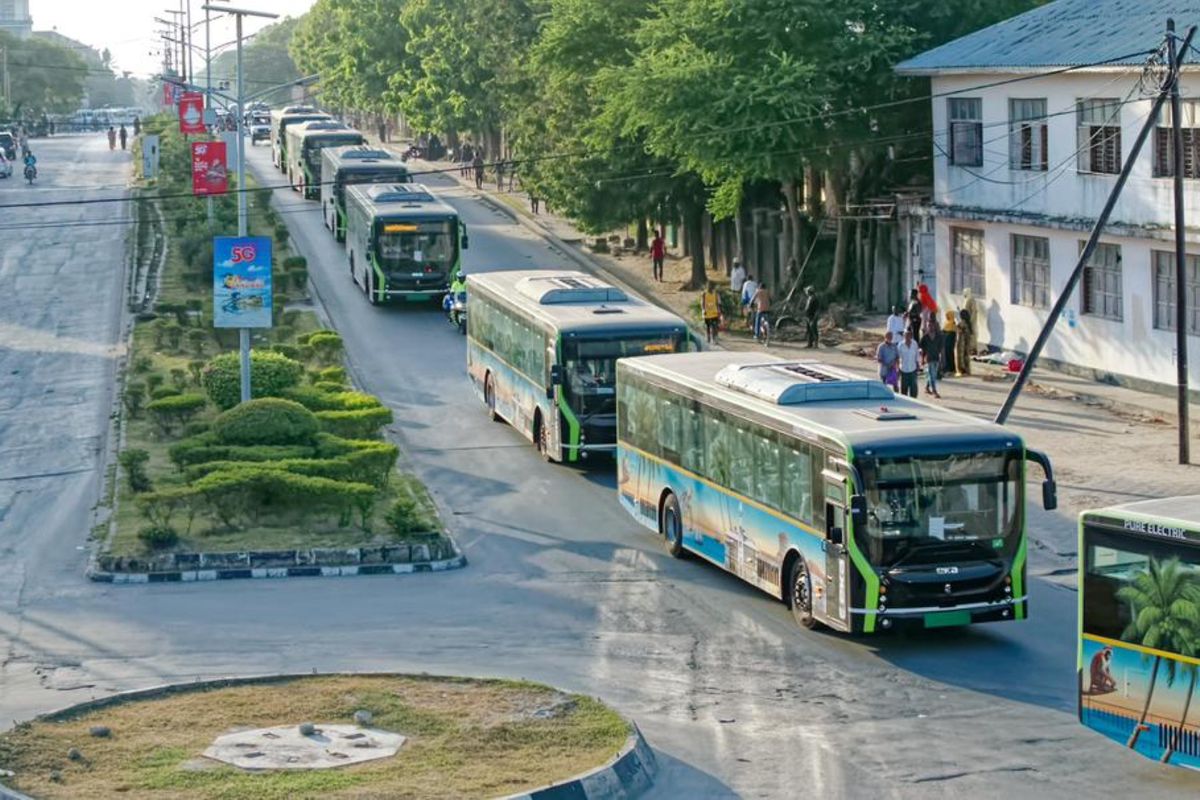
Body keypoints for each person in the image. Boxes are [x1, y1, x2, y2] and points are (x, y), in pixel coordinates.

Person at [920, 312, 943, 398]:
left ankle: (926, 387)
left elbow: (941, 348)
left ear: (935, 326)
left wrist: (941, 358)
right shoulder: (925, 337)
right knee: (931, 374)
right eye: (928, 325)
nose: (930, 327)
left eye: (931, 325)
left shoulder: (938, 336)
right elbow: (922, 349)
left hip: (936, 357)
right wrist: (922, 359)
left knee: (933, 374)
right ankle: (934, 391)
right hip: (928, 358)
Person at [897, 329, 921, 398]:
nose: (907, 337)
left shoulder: (914, 343)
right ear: (904, 336)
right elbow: (898, 357)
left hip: (913, 369)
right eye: (906, 335)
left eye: (909, 335)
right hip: (903, 369)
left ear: (911, 336)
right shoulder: (900, 345)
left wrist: (918, 364)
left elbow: (917, 355)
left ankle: (914, 402)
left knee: (914, 388)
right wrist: (897, 368)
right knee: (904, 388)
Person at [955, 304, 973, 377]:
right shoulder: (968, 323)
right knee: (966, 356)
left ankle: (961, 370)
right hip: (967, 342)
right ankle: (967, 370)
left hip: (961, 342)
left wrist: (957, 322)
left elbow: (958, 329)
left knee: (960, 356)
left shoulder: (962, 323)